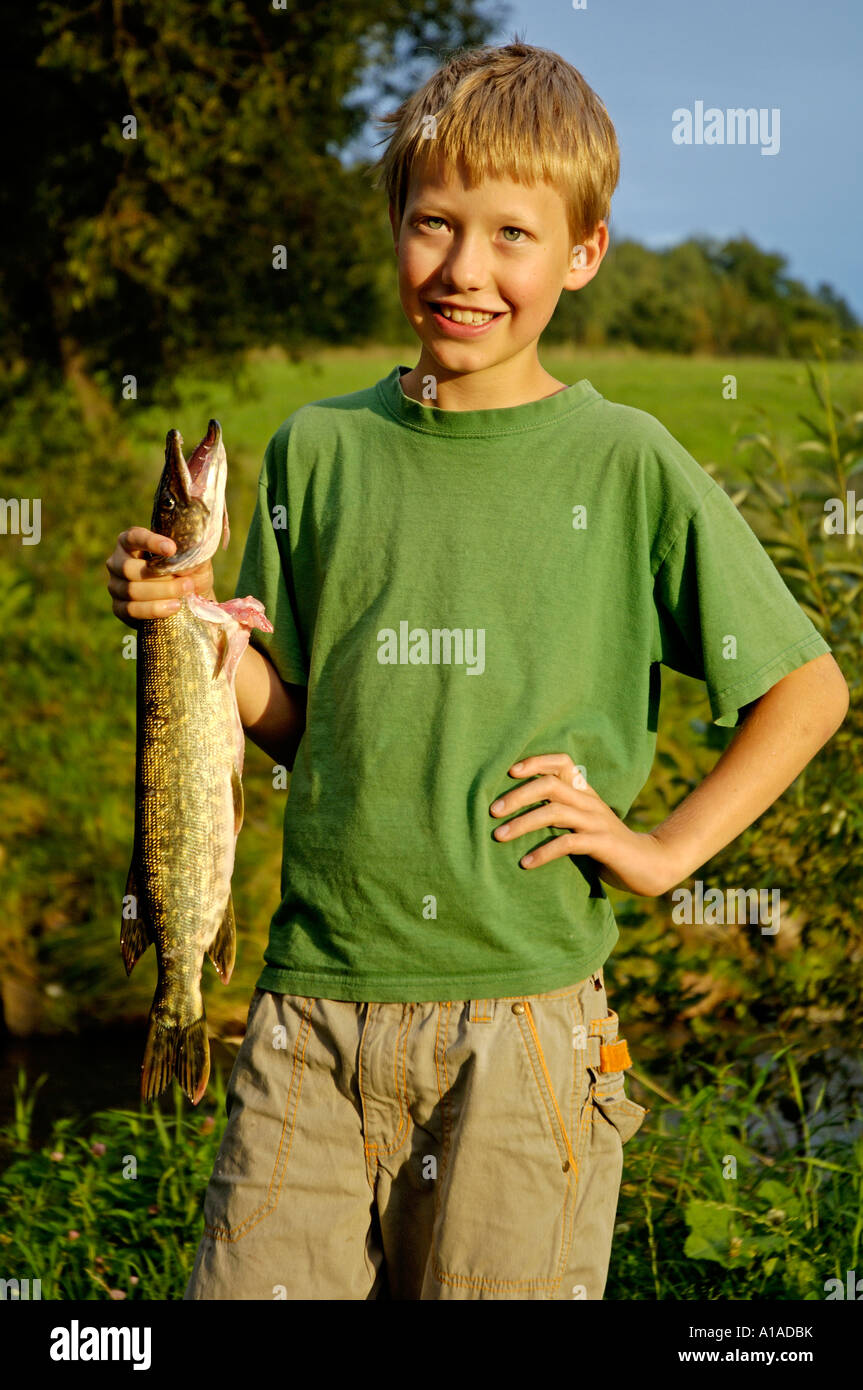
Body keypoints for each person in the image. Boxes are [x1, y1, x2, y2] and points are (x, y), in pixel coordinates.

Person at [106, 41, 849, 1300]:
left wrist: (661, 851)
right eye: (433, 224)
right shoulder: (316, 451)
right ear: (393, 224)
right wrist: (196, 640)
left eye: (511, 234)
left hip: (526, 1029)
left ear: (582, 253)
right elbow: (298, 724)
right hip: (309, 1014)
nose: (463, 270)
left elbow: (807, 689)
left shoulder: (625, 463)